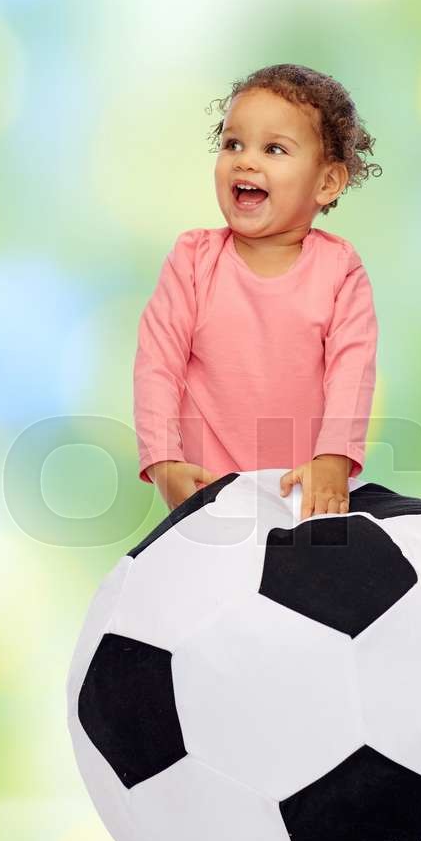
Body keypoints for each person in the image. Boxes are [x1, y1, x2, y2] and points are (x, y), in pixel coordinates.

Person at [133, 63, 382, 521]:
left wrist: (333, 458)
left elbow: (352, 373)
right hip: (208, 496)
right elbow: (157, 365)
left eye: (274, 149)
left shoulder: (339, 270)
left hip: (304, 496)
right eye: (232, 144)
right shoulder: (192, 259)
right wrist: (164, 460)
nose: (245, 160)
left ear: (326, 182)